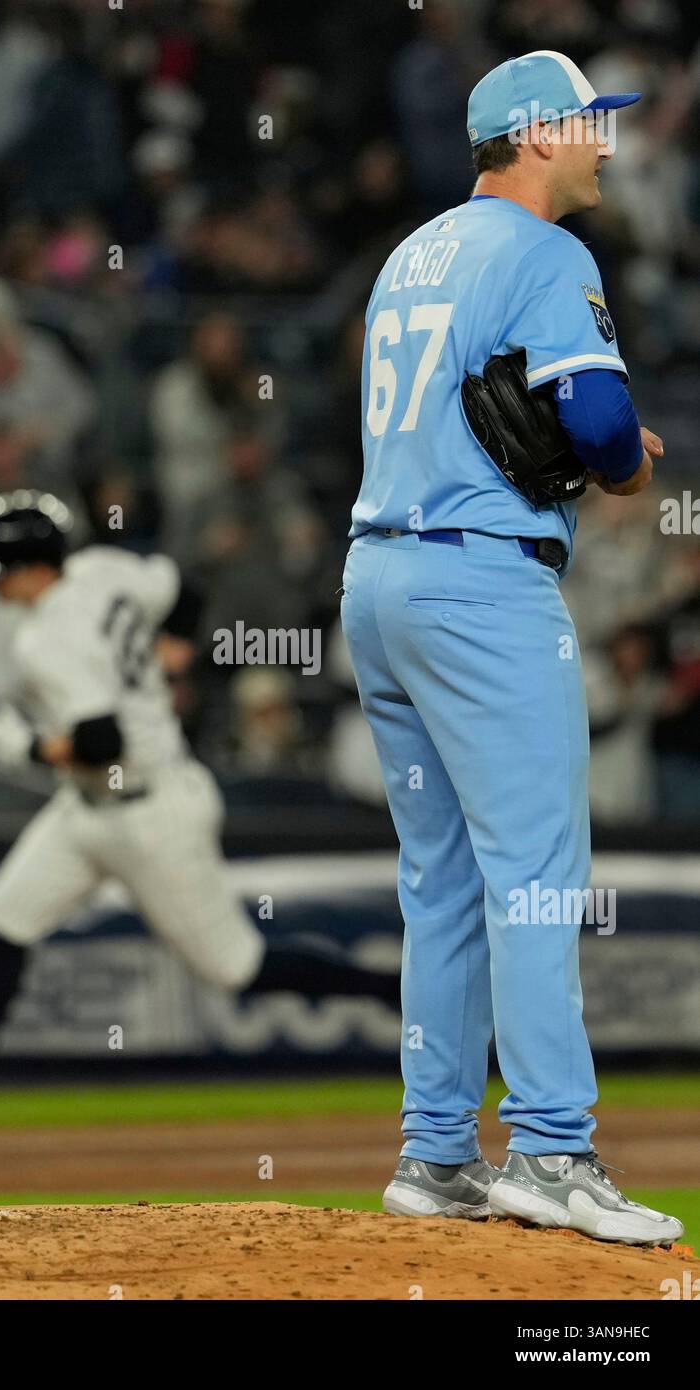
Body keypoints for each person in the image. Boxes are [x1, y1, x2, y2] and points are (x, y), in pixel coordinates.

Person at [341, 51, 682, 1246]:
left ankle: (434, 1153)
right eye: (589, 122)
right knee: (532, 870)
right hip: (479, 586)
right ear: (534, 134)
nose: (602, 141)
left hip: (376, 576)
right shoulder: (547, 252)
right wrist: (628, 459)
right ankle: (547, 1147)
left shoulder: (410, 252)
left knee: (440, 881)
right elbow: (590, 426)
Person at [0, 492, 398, 1139]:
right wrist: (172, 651)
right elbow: (187, 590)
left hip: (151, 812)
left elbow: (100, 743)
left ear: (27, 566)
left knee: (236, 969)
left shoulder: (46, 640)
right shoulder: (106, 569)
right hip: (88, 810)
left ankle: (396, 991)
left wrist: (24, 744)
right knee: (4, 920)